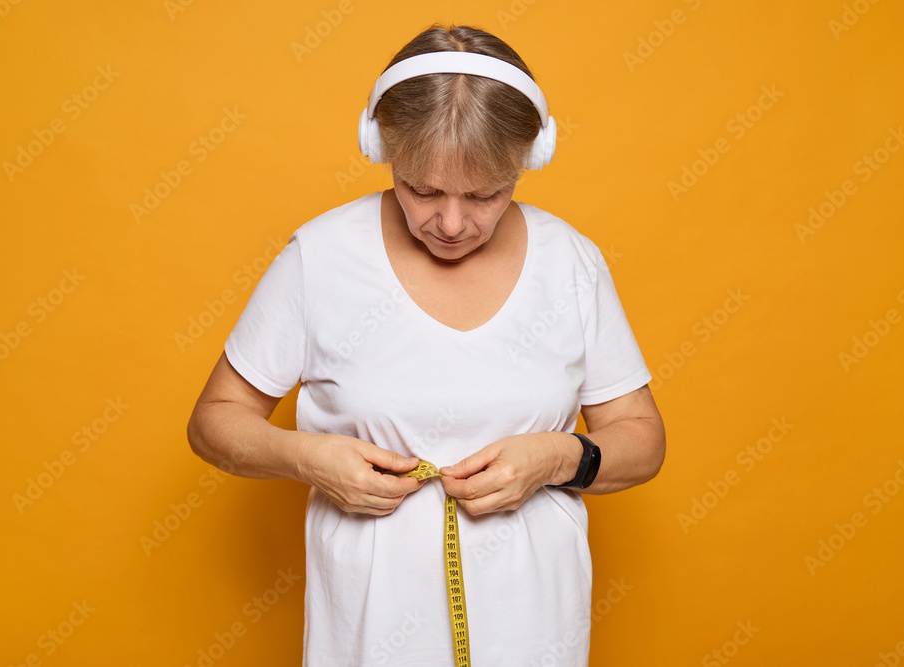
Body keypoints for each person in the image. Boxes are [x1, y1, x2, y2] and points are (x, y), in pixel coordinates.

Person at [187, 23, 665, 666]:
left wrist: (558, 458)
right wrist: (307, 458)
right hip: (366, 639)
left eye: (485, 195)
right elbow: (213, 423)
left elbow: (641, 438)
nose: (450, 223)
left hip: (535, 633)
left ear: (530, 159)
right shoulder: (321, 257)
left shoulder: (571, 263)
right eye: (422, 190)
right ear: (380, 147)